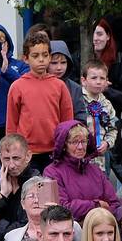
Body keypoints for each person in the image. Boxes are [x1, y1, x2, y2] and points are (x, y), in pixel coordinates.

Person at [5, 30, 73, 169]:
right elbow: (11, 124)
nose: (41, 60)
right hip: (27, 153)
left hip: (54, 151)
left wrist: (65, 148)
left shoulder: (59, 86)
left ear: (49, 56)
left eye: (45, 55)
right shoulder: (17, 87)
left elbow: (67, 122)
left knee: (53, 190)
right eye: (35, 55)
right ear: (25, 58)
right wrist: (12, 151)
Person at [41, 120, 118, 226]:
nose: (80, 147)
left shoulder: (95, 170)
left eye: (83, 141)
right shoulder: (52, 172)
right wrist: (96, 205)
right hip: (70, 231)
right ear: (64, 145)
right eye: (74, 142)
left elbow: (114, 203)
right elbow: (61, 208)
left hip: (100, 228)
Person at [90, 19, 122, 109]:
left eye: (99, 34)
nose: (95, 38)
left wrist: (108, 90)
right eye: (92, 34)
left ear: (108, 36)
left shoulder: (121, 61)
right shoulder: (78, 59)